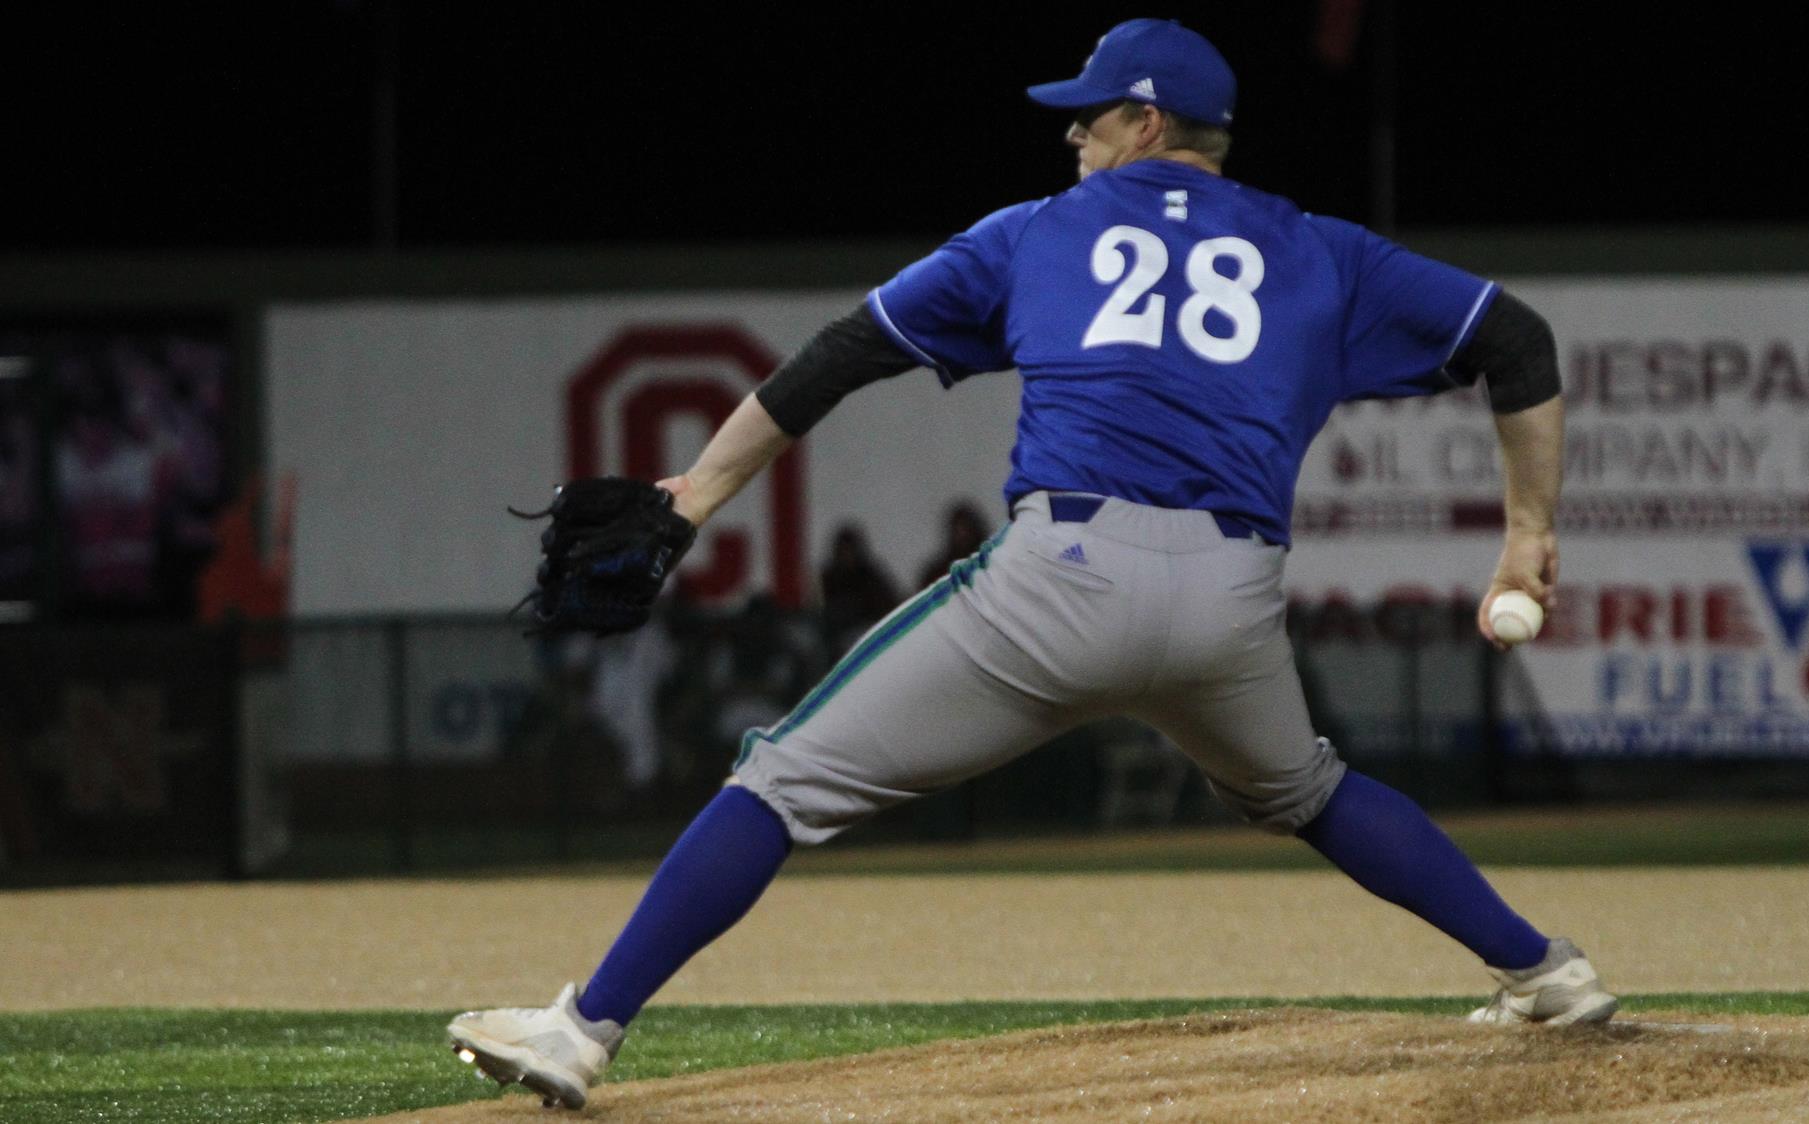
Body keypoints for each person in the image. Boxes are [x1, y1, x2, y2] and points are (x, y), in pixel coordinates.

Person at [447, 19, 1614, 1110]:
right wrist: (1525, 534)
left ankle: (582, 1028)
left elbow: (839, 357)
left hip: (1063, 579)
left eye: (1091, 115)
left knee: (779, 779)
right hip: (1231, 601)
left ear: (1146, 127)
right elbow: (1514, 340)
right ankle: (1546, 970)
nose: (1072, 134)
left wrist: (692, 494)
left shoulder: (1032, 232)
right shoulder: (1319, 251)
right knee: (1303, 790)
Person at [818, 522, 902, 659]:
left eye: (849, 550)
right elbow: (821, 609)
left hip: (866, 631)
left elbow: (886, 607)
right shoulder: (829, 577)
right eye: (842, 550)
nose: (846, 555)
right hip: (833, 636)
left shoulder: (871, 576)